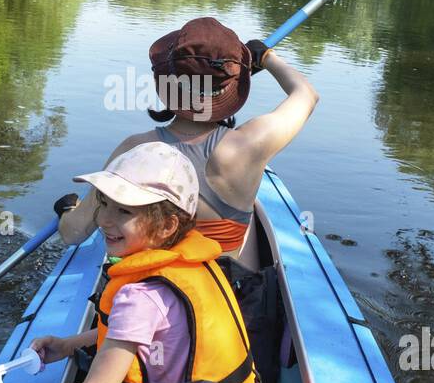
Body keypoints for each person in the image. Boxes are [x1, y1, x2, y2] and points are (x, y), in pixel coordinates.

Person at [0, 142, 257, 383]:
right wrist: (70, 345)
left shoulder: (139, 297)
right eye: (104, 203)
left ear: (167, 225)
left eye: (123, 210)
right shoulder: (190, 261)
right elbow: (145, 332)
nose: (104, 220)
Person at [56, 17, 319, 260]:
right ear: (235, 85)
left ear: (165, 83)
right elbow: (306, 94)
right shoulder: (249, 145)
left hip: (152, 290)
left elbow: (74, 233)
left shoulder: (135, 150)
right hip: (222, 291)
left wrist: (67, 210)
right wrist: (267, 57)